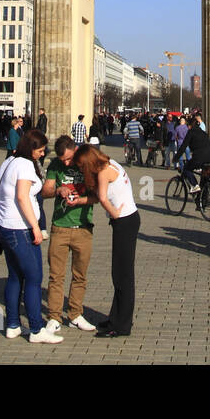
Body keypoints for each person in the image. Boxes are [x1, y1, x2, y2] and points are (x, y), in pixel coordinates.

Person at [0, 130, 62, 343]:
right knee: (34, 278)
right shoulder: (24, 165)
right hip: (20, 228)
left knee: (15, 276)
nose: (42, 154)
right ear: (30, 148)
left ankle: (13, 325)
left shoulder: (10, 160)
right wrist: (35, 227)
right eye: (40, 150)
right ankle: (36, 329)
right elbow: (22, 197)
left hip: (5, 226)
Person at [73, 144, 139, 338]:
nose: (80, 169)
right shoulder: (111, 164)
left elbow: (102, 198)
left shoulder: (102, 173)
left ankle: (122, 326)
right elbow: (98, 197)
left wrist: (114, 214)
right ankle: (115, 318)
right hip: (129, 220)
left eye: (80, 166)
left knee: (122, 276)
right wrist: (79, 200)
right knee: (119, 273)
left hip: (124, 221)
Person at [41, 135, 97, 334]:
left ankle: (75, 314)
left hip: (83, 226)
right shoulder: (56, 165)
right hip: (60, 227)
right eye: (62, 159)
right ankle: (54, 317)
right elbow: (45, 191)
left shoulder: (86, 163)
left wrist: (79, 200)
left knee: (80, 275)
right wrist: (58, 189)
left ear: (75, 150)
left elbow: (97, 196)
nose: (66, 162)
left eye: (68, 159)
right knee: (56, 276)